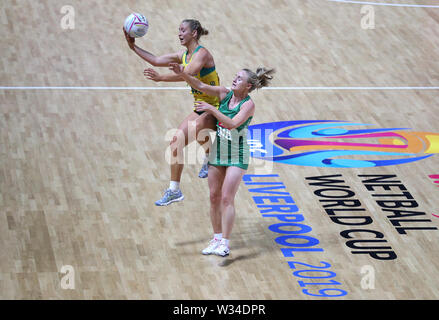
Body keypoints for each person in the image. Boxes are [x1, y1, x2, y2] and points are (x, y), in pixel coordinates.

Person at [169, 62, 275, 256]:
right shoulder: (224, 93)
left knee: (227, 198)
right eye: (235, 76)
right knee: (213, 197)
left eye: (239, 78)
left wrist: (212, 109)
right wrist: (182, 74)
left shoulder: (248, 104)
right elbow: (200, 86)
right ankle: (216, 238)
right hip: (218, 153)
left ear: (248, 86)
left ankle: (225, 243)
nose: (234, 79)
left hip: (237, 155)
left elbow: (233, 123)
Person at [123, 19, 220, 206]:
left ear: (194, 33)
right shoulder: (182, 54)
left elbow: (188, 74)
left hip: (217, 108)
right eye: (179, 30)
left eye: (183, 30)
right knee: (176, 142)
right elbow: (156, 60)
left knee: (198, 127)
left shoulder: (202, 54)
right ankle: (175, 190)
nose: (179, 33)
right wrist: (133, 47)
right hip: (201, 106)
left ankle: (211, 156)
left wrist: (160, 79)